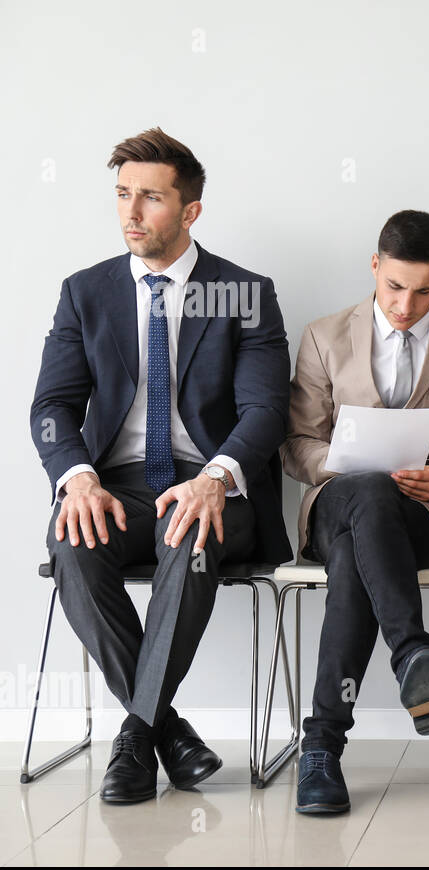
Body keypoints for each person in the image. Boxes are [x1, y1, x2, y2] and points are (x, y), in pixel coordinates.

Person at [30, 128, 292, 803]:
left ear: (190, 211)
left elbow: (265, 411)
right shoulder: (86, 293)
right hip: (113, 490)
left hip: (216, 491)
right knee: (70, 540)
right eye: (123, 195)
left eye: (150, 197)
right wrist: (78, 478)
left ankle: (135, 740)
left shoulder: (240, 292)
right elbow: (53, 408)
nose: (131, 212)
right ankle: (164, 730)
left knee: (190, 533)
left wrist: (212, 479)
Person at [282, 210, 429, 814]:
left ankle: (322, 748)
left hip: (427, 520)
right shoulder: (322, 336)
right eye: (394, 286)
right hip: (337, 503)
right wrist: (348, 467)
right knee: (365, 497)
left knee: (356, 555)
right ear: (374, 266)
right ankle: (410, 649)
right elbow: (295, 445)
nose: (406, 305)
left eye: (424, 291)